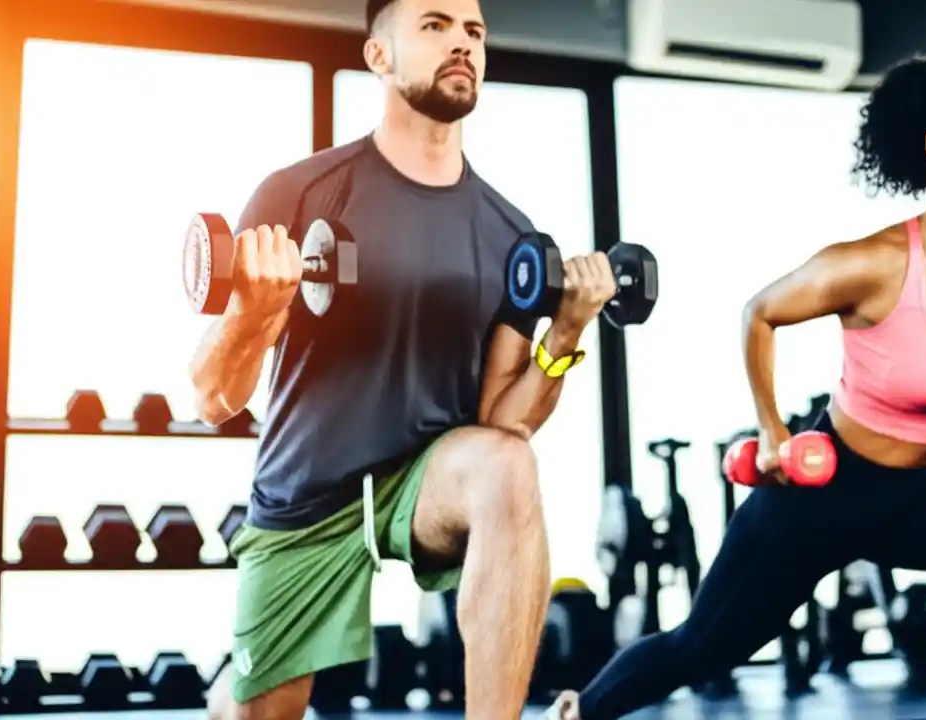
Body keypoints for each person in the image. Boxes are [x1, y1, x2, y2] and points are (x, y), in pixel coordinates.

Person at [546, 51, 926, 720]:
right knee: (701, 648)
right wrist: (773, 431)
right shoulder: (875, 262)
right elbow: (761, 312)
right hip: (820, 497)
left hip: (918, 498)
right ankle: (578, 714)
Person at [190, 0, 616, 718]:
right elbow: (214, 397)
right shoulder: (297, 193)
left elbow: (499, 425)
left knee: (507, 466)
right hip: (309, 492)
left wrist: (565, 336)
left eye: (474, 31)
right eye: (435, 25)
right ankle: (234, 687)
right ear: (378, 57)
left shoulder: (509, 233)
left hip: (424, 485)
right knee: (259, 711)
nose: (462, 43)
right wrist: (254, 311)